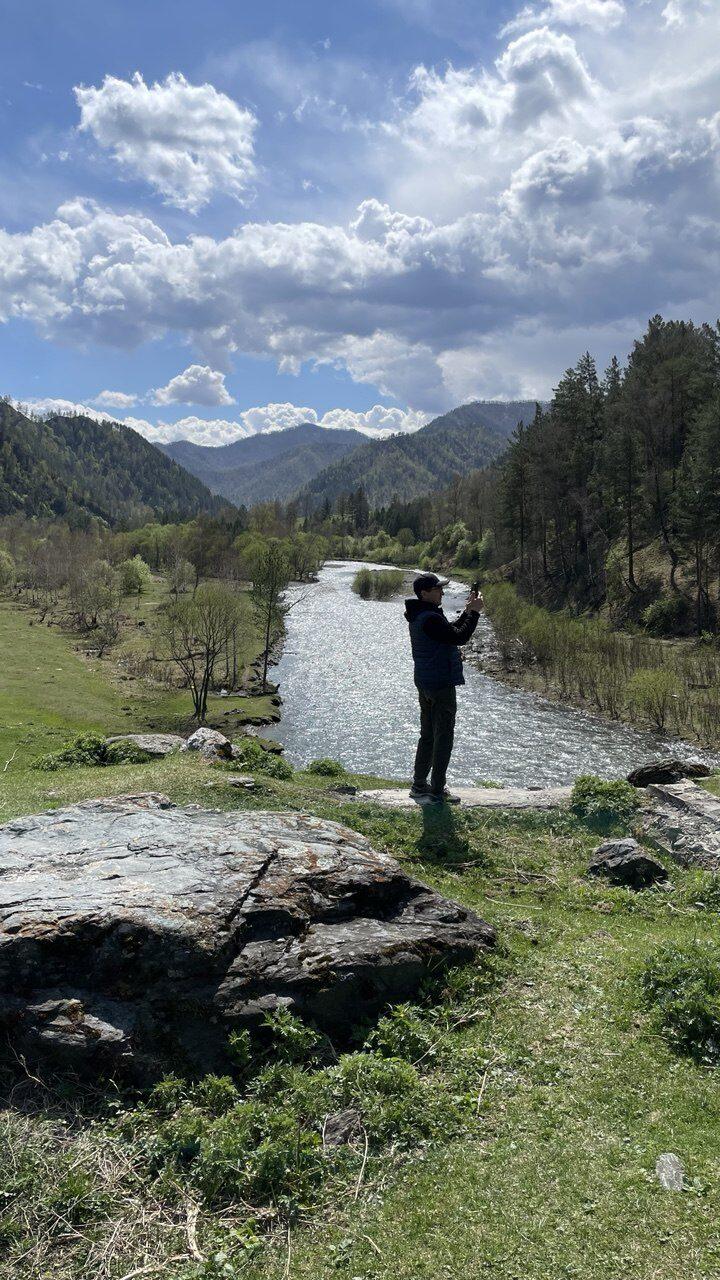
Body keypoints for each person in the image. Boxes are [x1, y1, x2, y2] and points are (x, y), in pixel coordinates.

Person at [404, 572, 483, 804]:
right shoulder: (430, 618)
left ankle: (419, 785)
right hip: (440, 684)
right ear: (424, 593)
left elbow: (450, 633)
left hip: (426, 681)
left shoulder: (422, 615)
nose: (442, 592)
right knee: (444, 736)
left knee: (428, 735)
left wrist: (468, 612)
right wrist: (476, 612)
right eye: (438, 589)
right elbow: (459, 637)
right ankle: (437, 790)